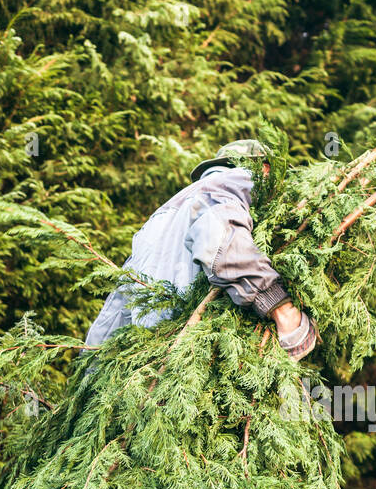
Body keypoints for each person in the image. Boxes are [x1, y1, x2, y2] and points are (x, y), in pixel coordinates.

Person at [85, 139, 318, 359]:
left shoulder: (162, 216)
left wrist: (92, 371)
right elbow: (218, 238)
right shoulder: (237, 180)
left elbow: (115, 314)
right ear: (264, 169)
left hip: (151, 361)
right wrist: (282, 309)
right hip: (187, 351)